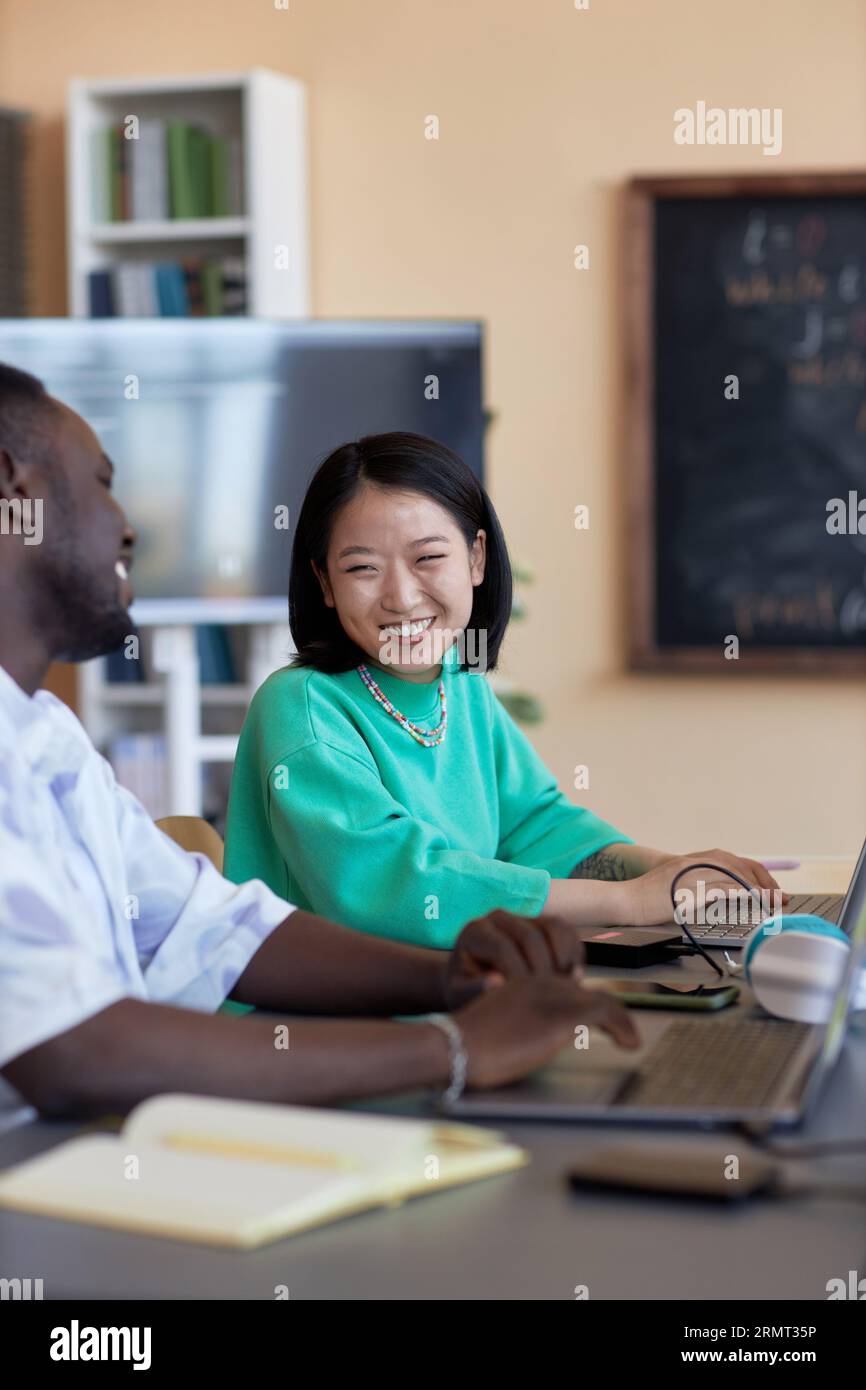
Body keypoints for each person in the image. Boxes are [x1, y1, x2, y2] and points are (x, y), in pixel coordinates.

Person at [0, 364, 641, 1132]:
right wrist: (453, 1047)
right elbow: (76, 1054)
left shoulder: (42, 738)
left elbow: (217, 929)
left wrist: (460, 979)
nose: (127, 525)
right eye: (101, 482)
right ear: (16, 492)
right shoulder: (300, 705)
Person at [224, 431, 781, 947]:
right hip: (320, 1028)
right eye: (363, 568)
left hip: (450, 1000)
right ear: (324, 582)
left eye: (428, 558)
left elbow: (538, 828)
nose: (400, 596)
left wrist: (670, 871)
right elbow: (395, 885)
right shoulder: (301, 707)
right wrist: (631, 902)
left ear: (476, 558)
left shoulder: (457, 684)